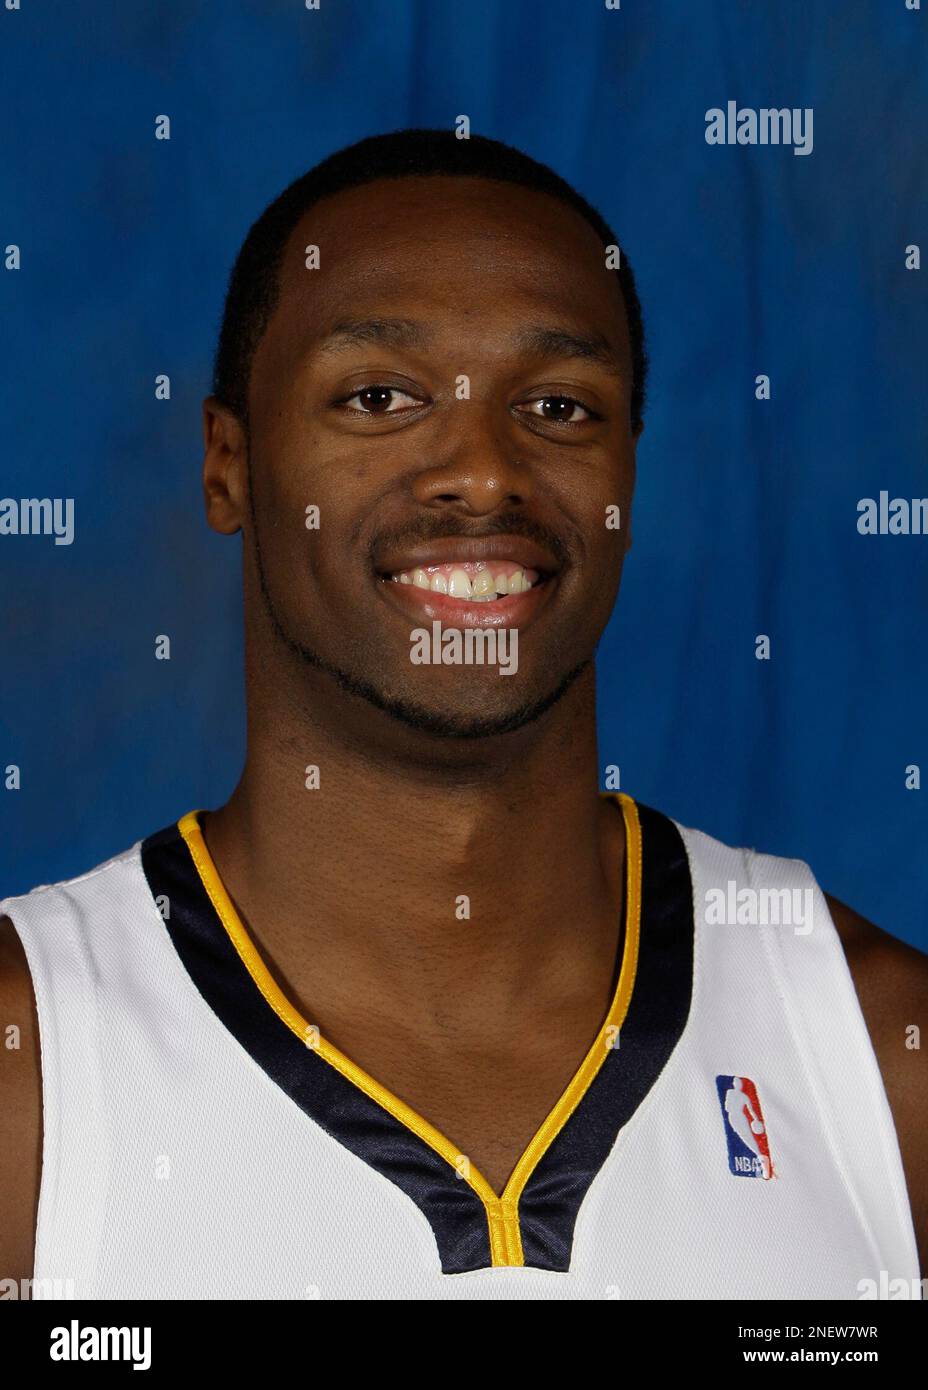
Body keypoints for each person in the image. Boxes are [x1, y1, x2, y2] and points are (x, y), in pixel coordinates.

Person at [1, 129, 925, 1299]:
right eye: (379, 396)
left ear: (627, 475)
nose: (482, 470)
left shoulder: (878, 1052)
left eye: (557, 405)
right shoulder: (31, 1078)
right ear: (228, 463)